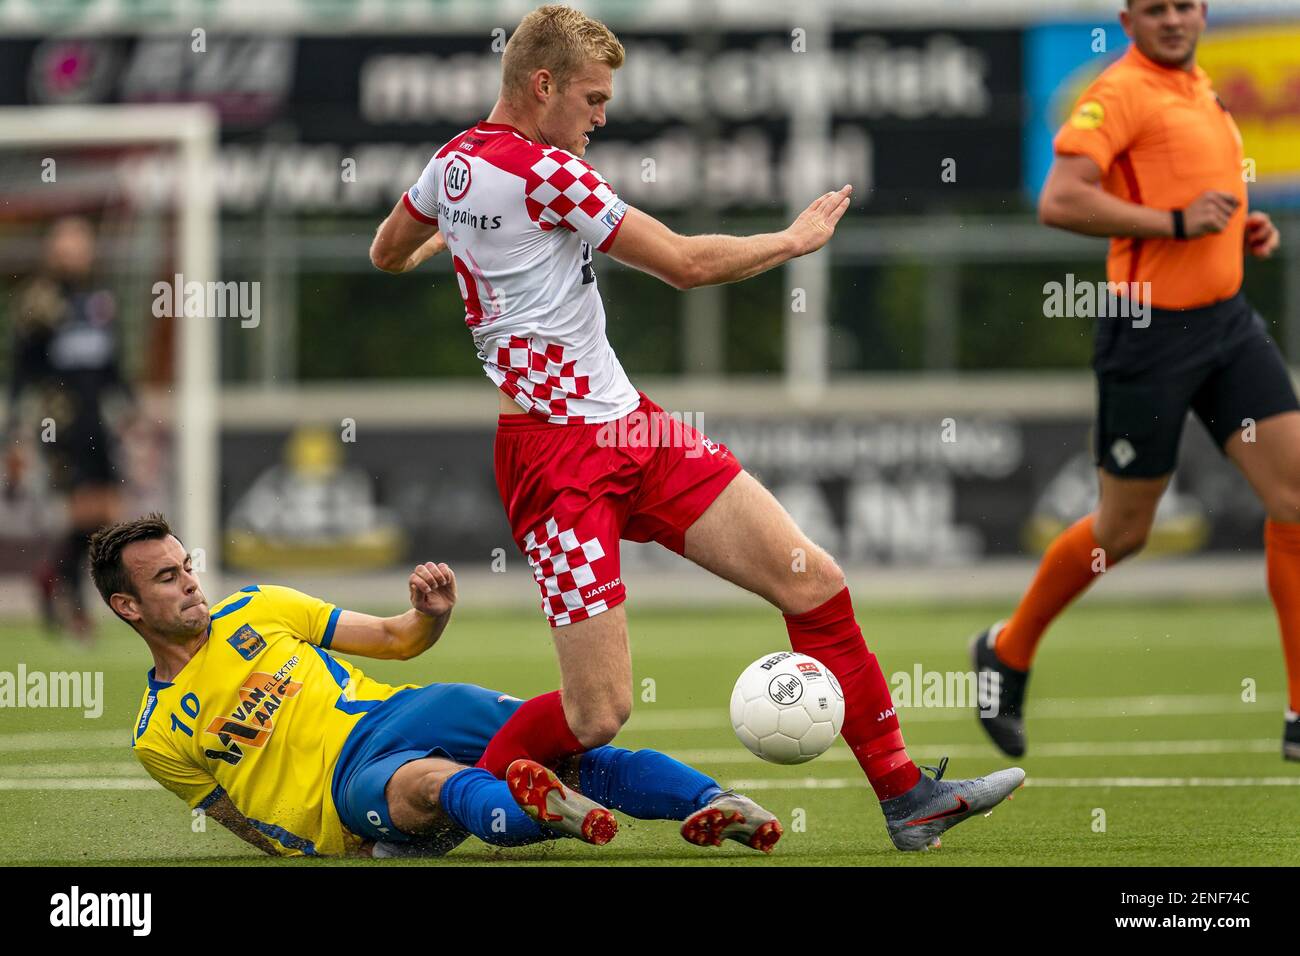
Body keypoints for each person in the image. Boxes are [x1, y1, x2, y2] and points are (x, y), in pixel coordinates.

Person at [368, 3, 1023, 850]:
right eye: (593, 98)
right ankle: (453, 804)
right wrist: (790, 241)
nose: (602, 117)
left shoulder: (450, 166)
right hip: (556, 459)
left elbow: (388, 251)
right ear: (543, 85)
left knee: (812, 580)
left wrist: (457, 244)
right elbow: (682, 264)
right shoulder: (548, 172)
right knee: (597, 713)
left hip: (634, 430)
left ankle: (906, 796)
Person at [970, 0, 1296, 759]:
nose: (1173, 20)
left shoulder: (1200, 84)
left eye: (1185, 6)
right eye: (1156, 9)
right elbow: (1061, 199)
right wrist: (1177, 225)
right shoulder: (1117, 92)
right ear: (1127, 18)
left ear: (1203, 12)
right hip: (1150, 335)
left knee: (1296, 498)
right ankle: (1007, 649)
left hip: (1229, 324)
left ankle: (1299, 716)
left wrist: (1242, 225)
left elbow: (1191, 190)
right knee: (1123, 531)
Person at [91, 513, 784, 858]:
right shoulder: (158, 735)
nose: (189, 583)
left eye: (186, 567)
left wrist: (430, 616)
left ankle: (715, 803)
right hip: (351, 786)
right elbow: (241, 823)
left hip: (408, 710)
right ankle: (545, 807)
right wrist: (335, 847)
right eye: (166, 578)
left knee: (579, 755)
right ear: (127, 607)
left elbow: (396, 641)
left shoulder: (257, 606)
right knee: (427, 785)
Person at [4, 216, 135, 641]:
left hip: (99, 417)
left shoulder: (99, 299)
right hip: (61, 421)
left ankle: (51, 576)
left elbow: (112, 362)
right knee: (84, 508)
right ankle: (75, 603)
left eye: (81, 244)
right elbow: (22, 368)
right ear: (53, 252)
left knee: (107, 513)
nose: (75, 253)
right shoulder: (40, 301)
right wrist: (15, 428)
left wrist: (129, 404)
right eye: (67, 245)